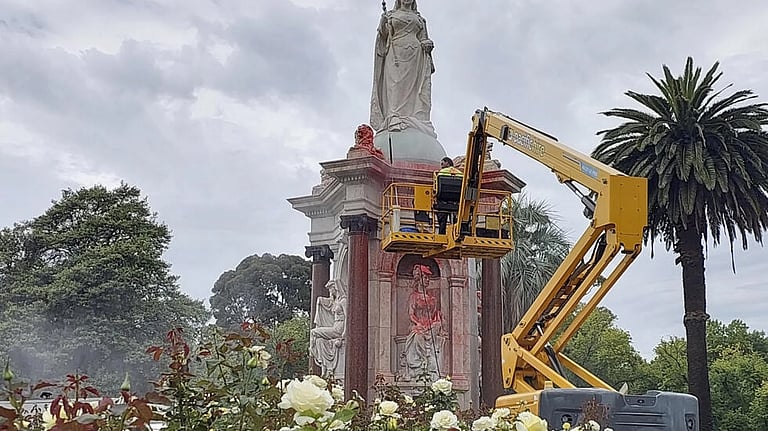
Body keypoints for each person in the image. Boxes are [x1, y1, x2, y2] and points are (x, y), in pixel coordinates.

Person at [369, 0, 436, 138]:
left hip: (416, 55)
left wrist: (428, 44)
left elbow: (424, 38)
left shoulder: (420, 19)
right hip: (395, 54)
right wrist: (383, 24)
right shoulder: (390, 15)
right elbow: (383, 36)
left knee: (414, 88)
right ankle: (394, 116)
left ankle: (414, 118)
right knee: (395, 84)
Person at [401, 264, 444, 381]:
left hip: (430, 324)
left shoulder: (432, 298)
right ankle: (419, 365)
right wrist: (418, 323)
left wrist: (436, 321)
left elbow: (435, 314)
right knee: (418, 336)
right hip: (418, 324)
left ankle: (430, 367)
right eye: (425, 277)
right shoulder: (414, 296)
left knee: (437, 326)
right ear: (419, 279)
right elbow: (411, 314)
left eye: (428, 278)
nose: (427, 280)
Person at [309, 280, 347, 378]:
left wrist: (345, 332)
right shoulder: (336, 301)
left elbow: (348, 317)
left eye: (331, 289)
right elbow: (328, 303)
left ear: (336, 288)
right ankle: (325, 367)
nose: (330, 291)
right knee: (319, 341)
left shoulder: (343, 301)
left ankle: (311, 352)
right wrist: (320, 300)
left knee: (313, 332)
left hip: (339, 327)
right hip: (335, 325)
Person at [435, 157, 462, 234]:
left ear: (447, 163)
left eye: (442, 163)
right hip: (457, 201)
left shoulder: (441, 172)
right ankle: (456, 232)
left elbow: (437, 188)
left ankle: (442, 233)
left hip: (443, 201)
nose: (441, 165)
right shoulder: (460, 173)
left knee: (442, 219)